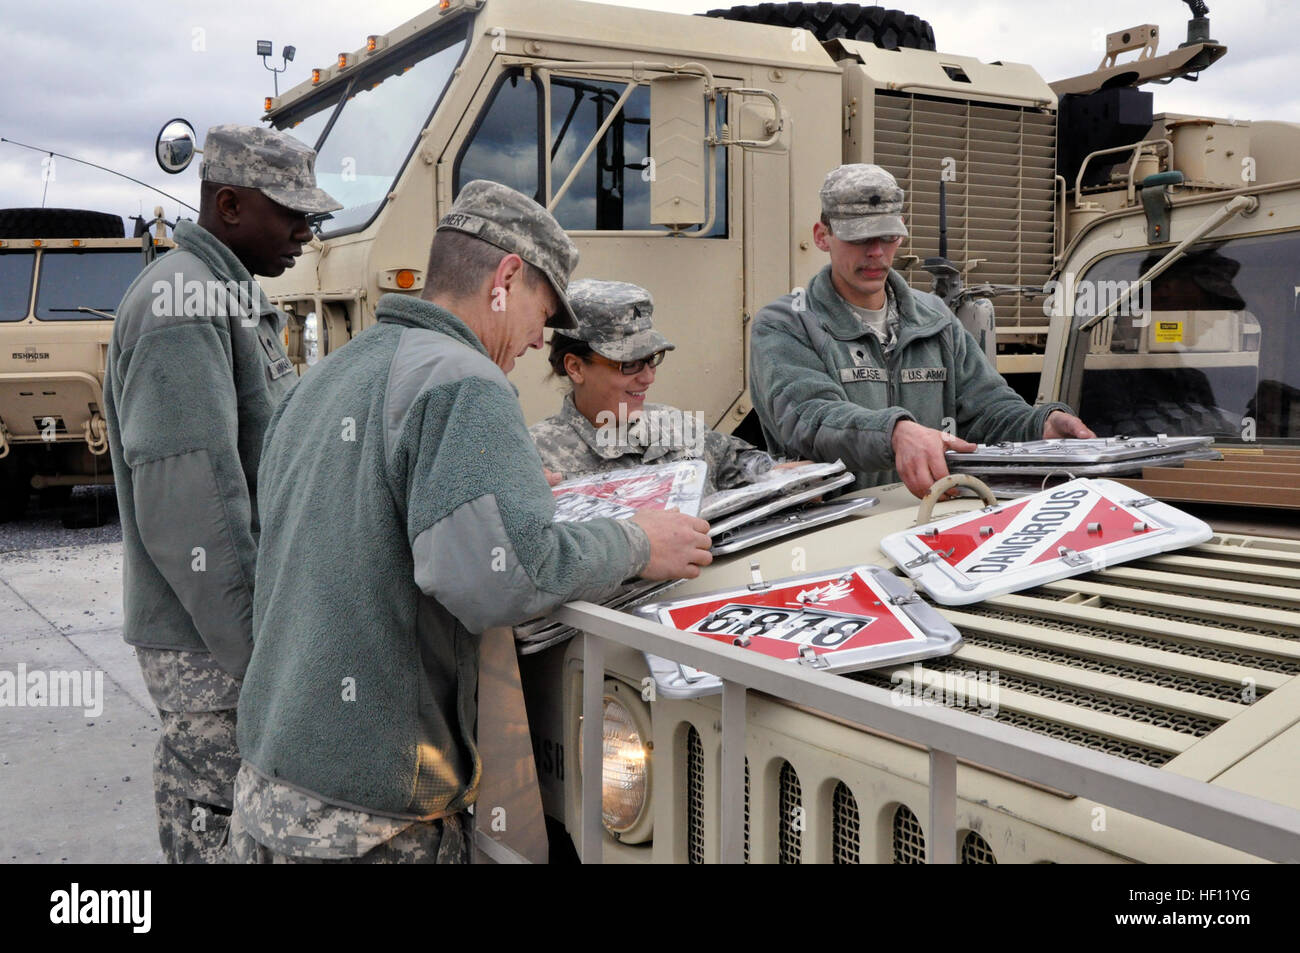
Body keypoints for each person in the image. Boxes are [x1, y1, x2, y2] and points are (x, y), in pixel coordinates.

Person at [229, 181, 713, 864]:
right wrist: (637, 541)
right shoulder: (465, 381)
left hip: (268, 785)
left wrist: (503, 494)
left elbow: (363, 517)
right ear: (507, 277)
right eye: (543, 310)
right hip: (372, 819)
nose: (542, 336)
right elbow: (501, 578)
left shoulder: (326, 377)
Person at [103, 123, 340, 862]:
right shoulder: (183, 307)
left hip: (231, 641)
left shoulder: (224, 294)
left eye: (314, 215)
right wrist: (263, 657)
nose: (308, 231)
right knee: (221, 829)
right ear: (230, 205)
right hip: (216, 651)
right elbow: (192, 516)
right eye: (292, 212)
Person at [749, 163, 1094, 498]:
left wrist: (1042, 426)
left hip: (928, 520)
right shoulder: (786, 323)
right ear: (822, 237)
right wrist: (895, 434)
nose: (876, 252)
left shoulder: (934, 318)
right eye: (859, 238)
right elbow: (812, 420)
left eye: (888, 236)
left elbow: (988, 408)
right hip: (835, 531)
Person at [531, 278, 782, 495]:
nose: (648, 378)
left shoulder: (676, 425)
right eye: (629, 364)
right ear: (575, 367)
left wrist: (793, 477)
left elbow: (744, 467)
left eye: (651, 359)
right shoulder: (535, 457)